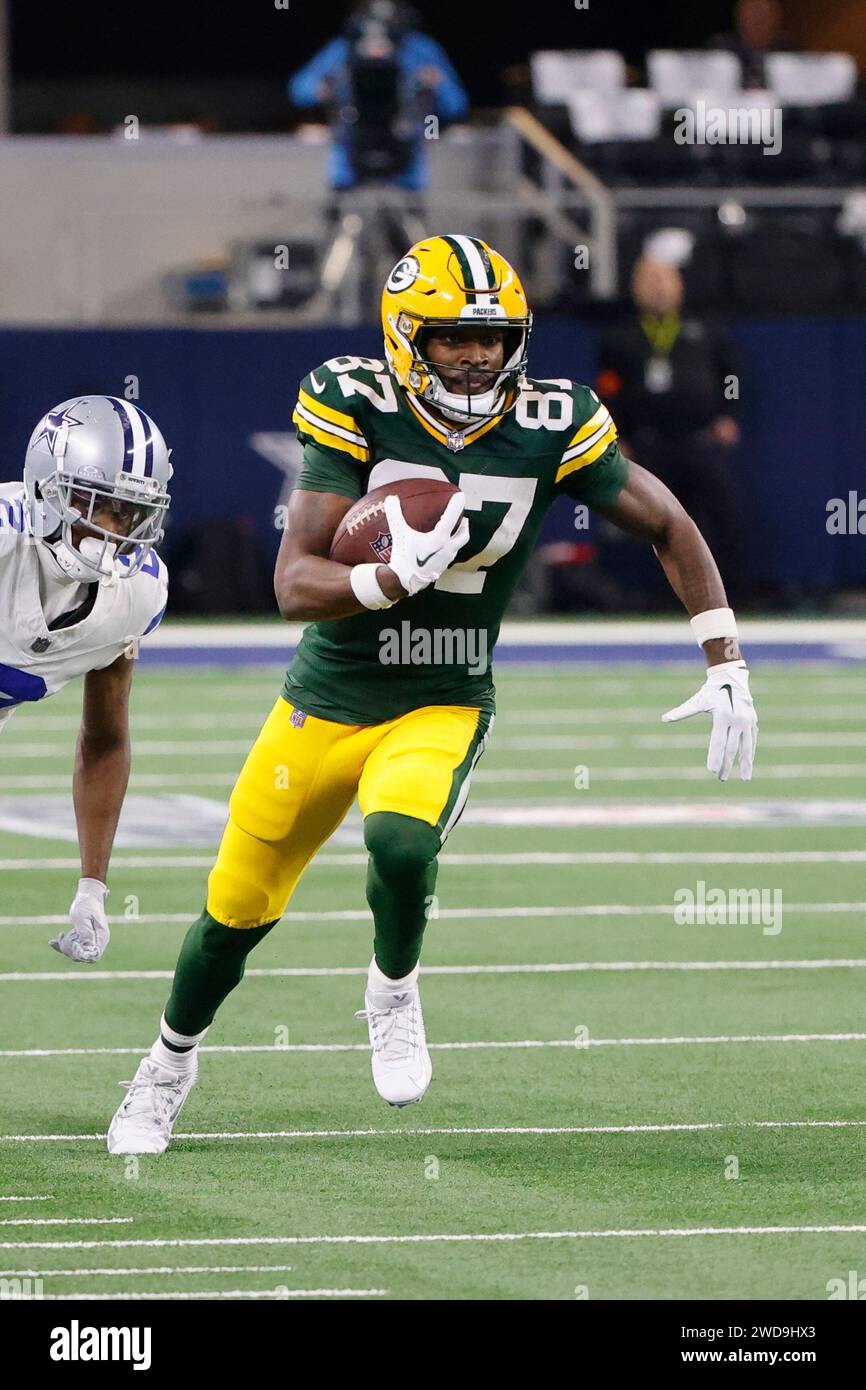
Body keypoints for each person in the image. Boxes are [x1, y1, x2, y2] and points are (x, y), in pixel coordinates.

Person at [107, 234, 758, 1155]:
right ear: (407, 335)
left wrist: (722, 655)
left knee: (402, 842)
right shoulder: (355, 402)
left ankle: (393, 988)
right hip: (326, 697)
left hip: (443, 693)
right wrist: (381, 581)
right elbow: (293, 584)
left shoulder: (550, 418)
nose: (479, 354)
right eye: (455, 336)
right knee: (233, 914)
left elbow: (666, 520)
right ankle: (167, 1065)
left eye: (494, 338)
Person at [0, 396, 171, 962]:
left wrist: (91, 888)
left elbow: (106, 738)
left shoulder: (134, 597)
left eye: (127, 514)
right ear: (47, 488)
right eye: (96, 505)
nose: (111, 532)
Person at [596, 254, 746, 600]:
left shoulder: (705, 329)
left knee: (722, 515)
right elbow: (607, 390)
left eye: (664, 279)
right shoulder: (621, 338)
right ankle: (643, 596)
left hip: (698, 441)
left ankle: (732, 593)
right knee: (643, 519)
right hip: (647, 443)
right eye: (649, 280)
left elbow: (732, 376)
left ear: (679, 284)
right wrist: (616, 436)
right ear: (635, 289)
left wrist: (729, 413)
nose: (658, 288)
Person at [288, 0, 468, 195]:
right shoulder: (343, 49)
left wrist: (437, 84)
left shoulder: (420, 49)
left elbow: (456, 105)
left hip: (406, 149)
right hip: (353, 148)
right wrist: (322, 87)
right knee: (341, 183)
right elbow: (299, 90)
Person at [709, 0, 792, 89]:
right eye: (752, 12)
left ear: (776, 17)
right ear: (738, 17)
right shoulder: (722, 47)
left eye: (764, 13)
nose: (758, 19)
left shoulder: (787, 49)